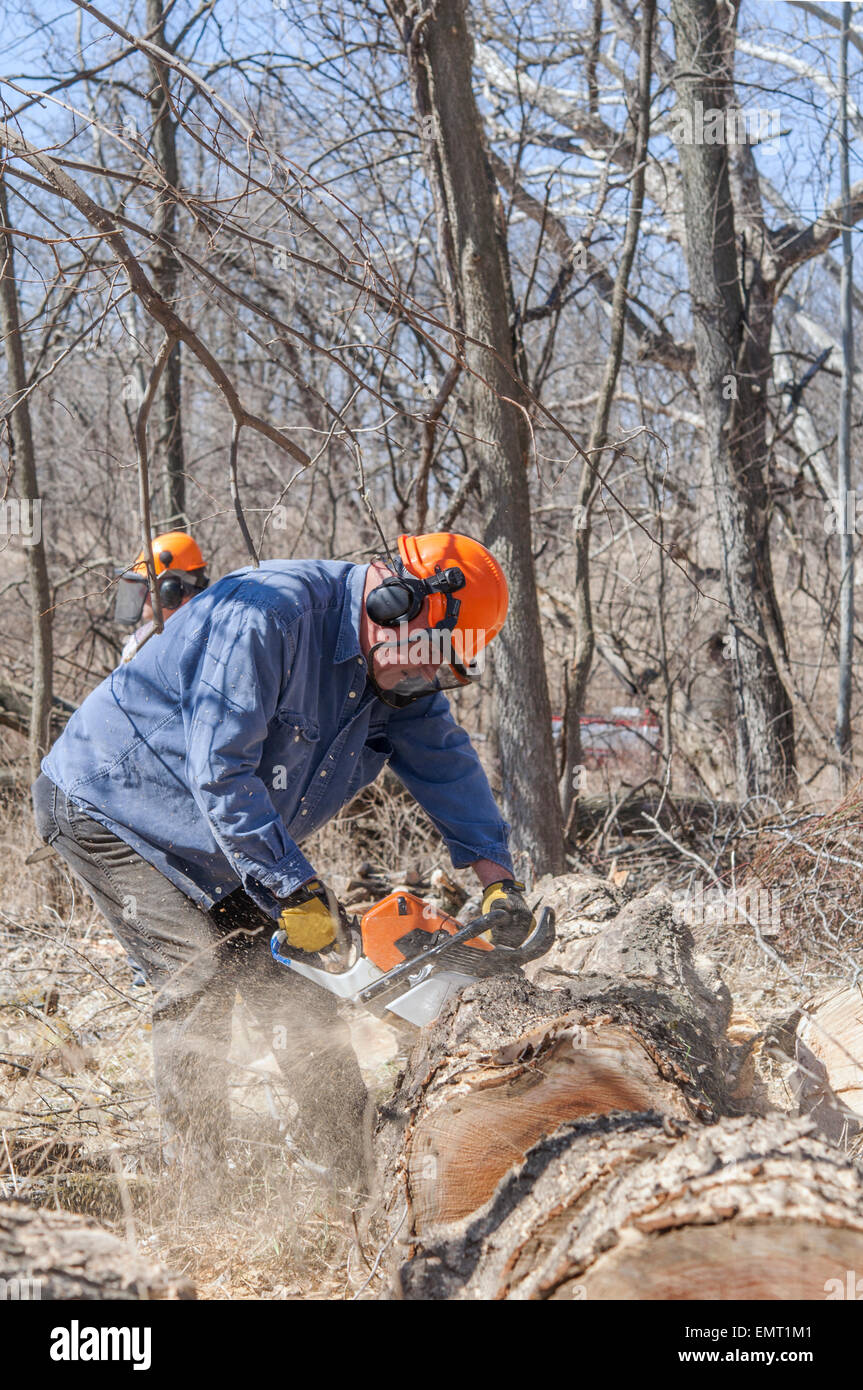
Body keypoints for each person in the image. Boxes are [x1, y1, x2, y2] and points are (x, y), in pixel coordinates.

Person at [32, 531, 533, 1188]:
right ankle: (201, 1194)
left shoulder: (402, 669)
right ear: (390, 604)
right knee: (196, 979)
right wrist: (295, 890)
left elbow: (445, 762)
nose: (424, 678)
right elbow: (221, 769)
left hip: (218, 834)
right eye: (426, 658)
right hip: (113, 804)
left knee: (299, 988)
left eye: (444, 668)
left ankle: (353, 1175)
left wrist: (497, 882)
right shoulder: (265, 613)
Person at [115, 531, 209, 663]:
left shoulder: (209, 638)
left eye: (147, 585)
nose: (141, 594)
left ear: (170, 590)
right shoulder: (139, 641)